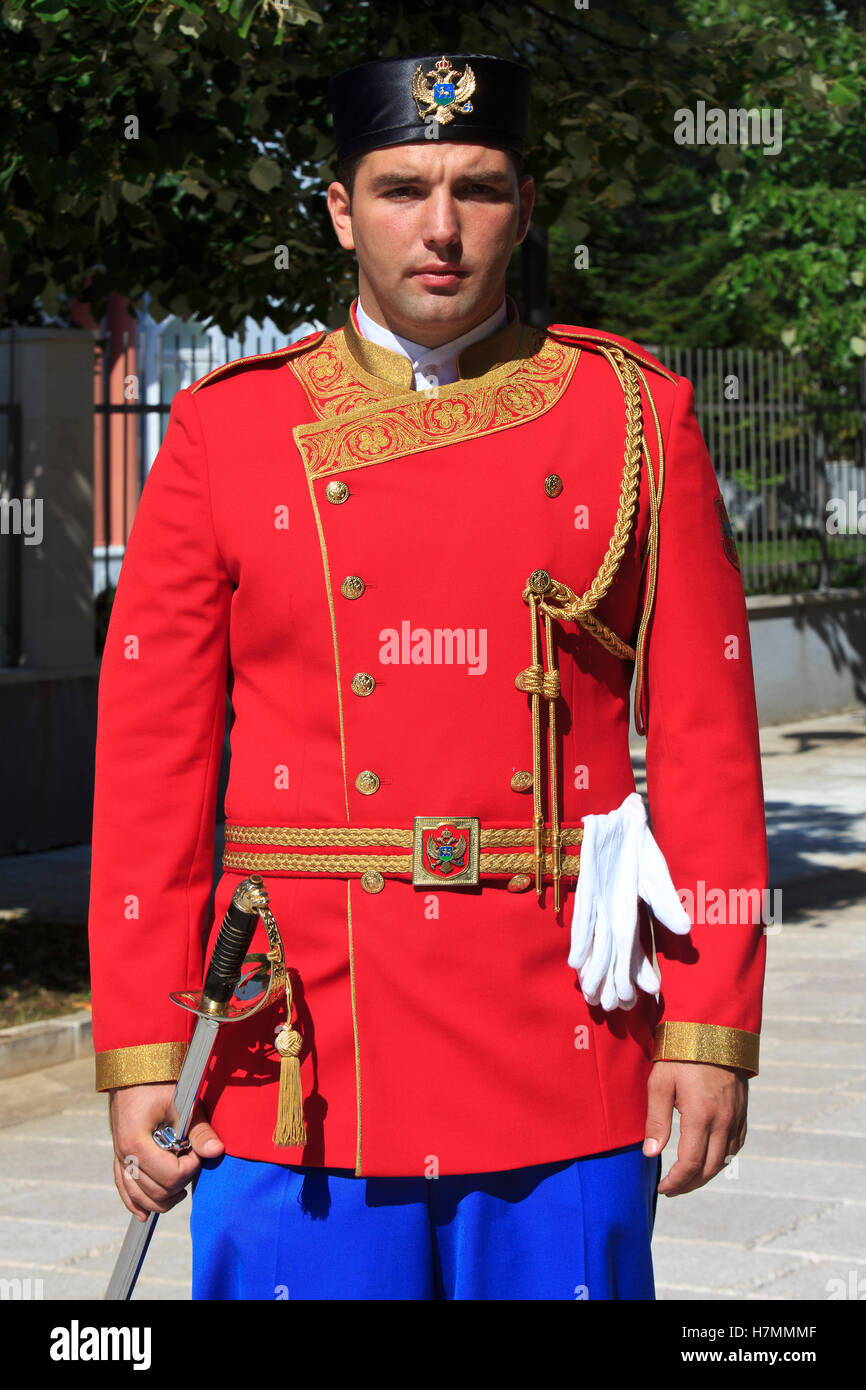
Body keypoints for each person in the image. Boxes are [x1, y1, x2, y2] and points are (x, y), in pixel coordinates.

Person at [88, 51, 768, 1301]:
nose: (441, 228)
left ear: (522, 205)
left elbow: (708, 743)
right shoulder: (226, 433)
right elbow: (151, 768)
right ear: (342, 210)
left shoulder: (632, 417)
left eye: (479, 187)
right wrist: (141, 1050)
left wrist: (711, 1023)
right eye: (402, 188)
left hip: (563, 1042)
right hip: (292, 1054)